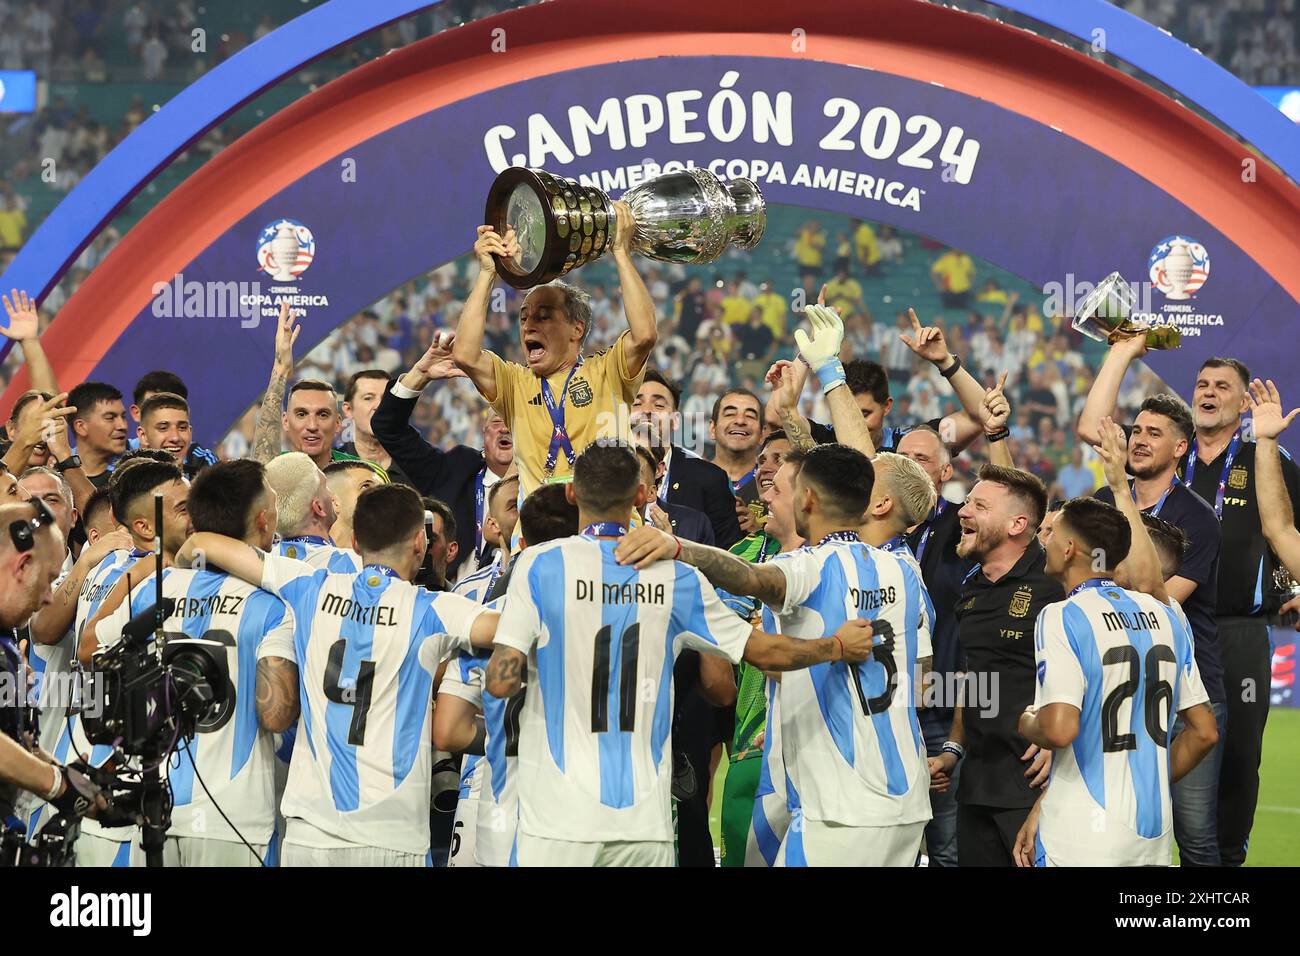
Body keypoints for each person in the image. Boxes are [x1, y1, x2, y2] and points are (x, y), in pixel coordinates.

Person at [485, 442, 873, 867]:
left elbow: (501, 682)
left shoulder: (539, 565)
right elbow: (764, 652)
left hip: (555, 820)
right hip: (643, 825)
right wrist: (835, 646)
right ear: (639, 495)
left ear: (573, 494)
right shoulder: (675, 575)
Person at [618, 443, 934, 866]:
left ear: (806, 498)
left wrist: (678, 547)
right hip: (907, 798)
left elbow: (750, 577)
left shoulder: (811, 564)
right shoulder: (905, 571)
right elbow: (921, 675)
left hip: (842, 805)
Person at [175, 483, 502, 866]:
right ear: (419, 541)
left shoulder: (308, 586)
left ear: (356, 544)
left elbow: (208, 545)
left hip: (309, 833)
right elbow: (506, 627)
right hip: (392, 836)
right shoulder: (434, 610)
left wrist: (184, 559)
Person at [83, 460, 292, 866]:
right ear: (264, 523)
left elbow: (91, 650)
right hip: (234, 820)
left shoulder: (155, 589)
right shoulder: (274, 607)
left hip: (157, 806)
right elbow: (276, 714)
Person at [1078, 344, 1230, 866]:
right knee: (1111, 814)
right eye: (1135, 431)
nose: (1139, 441)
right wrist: (1121, 352)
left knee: (1192, 832)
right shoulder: (1100, 503)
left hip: (1184, 690)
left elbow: (1157, 605)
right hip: (1112, 683)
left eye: (1153, 434)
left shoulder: (1198, 518)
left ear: (1182, 447)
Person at [1014, 497, 1219, 866]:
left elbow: (1059, 730)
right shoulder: (1167, 615)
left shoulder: (1062, 616)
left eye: (1053, 533)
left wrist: (1027, 721)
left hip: (1080, 836)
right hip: (1152, 837)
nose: (1046, 541)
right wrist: (1145, 778)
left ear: (1070, 548)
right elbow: (1205, 732)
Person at [451, 211, 657, 500]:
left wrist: (621, 251)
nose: (529, 325)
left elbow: (645, 334)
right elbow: (465, 355)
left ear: (576, 329)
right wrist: (487, 273)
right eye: (524, 318)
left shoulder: (607, 371)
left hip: (603, 528)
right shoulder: (515, 383)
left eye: (544, 316)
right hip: (540, 530)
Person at [435, 483, 582, 868]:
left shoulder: (485, 617)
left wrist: (503, 736)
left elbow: (449, 731)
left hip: (497, 815)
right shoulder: (603, 611)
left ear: (521, 537)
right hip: (578, 820)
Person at [927, 464, 1063, 867]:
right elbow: (975, 676)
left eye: (979, 506)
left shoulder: (1055, 583)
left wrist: (1063, 745)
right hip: (977, 784)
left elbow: (1095, 671)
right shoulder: (972, 584)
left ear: (1017, 524)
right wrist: (953, 748)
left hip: (1034, 786)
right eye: (967, 501)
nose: (964, 511)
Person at [371, 331, 515, 581]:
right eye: (497, 421)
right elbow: (387, 426)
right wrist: (420, 375)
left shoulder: (544, 481)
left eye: (513, 423)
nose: (504, 428)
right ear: (483, 432)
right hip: (452, 603)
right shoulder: (454, 471)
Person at [0, 500, 104, 831]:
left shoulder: (10, 644)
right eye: (48, 579)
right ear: (22, 565)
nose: (48, 597)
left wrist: (77, 784)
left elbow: (16, 747)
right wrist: (57, 785)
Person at [252, 302, 382, 475]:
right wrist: (281, 370)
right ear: (285, 421)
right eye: (301, 414)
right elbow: (261, 467)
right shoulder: (275, 468)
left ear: (337, 423)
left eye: (322, 414)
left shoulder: (362, 474)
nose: (312, 425)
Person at [631, 368, 741, 547]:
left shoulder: (710, 480)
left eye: (659, 405)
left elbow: (728, 557)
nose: (647, 411)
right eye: (637, 403)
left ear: (675, 420)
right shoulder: (599, 475)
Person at [265, 452, 360, 572]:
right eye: (325, 486)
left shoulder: (260, 565)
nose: (332, 494)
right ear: (319, 508)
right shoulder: (356, 565)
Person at [128, 370, 219, 477]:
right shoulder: (117, 462)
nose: (175, 438)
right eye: (163, 427)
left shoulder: (201, 461)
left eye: (182, 427)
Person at [453, 475, 519, 603]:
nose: (525, 511)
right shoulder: (465, 593)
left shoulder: (564, 576)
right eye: (515, 506)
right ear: (493, 525)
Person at [340, 369, 412, 487]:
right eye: (368, 398)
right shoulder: (333, 466)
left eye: (385, 398)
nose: (379, 406)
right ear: (348, 410)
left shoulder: (419, 464)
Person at [709, 388, 765, 534]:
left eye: (750, 416)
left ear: (762, 434)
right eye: (730, 414)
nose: (740, 421)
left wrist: (761, 535)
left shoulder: (774, 487)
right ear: (712, 428)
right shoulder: (690, 481)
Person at [68, 381, 128, 488]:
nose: (122, 426)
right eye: (110, 418)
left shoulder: (132, 471)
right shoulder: (56, 475)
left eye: (123, 417)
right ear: (81, 427)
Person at [323, 459, 383, 551]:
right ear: (334, 502)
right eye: (366, 486)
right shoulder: (304, 558)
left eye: (383, 489)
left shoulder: (392, 560)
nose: (383, 495)